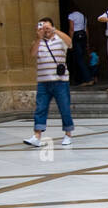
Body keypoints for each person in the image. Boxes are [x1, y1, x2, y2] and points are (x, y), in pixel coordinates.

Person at [24, 18, 74, 147]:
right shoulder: (38, 42)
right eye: (42, 27)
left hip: (60, 82)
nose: (45, 30)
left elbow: (69, 42)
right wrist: (38, 38)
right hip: (43, 81)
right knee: (40, 109)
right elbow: (32, 53)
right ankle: (37, 136)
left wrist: (55, 30)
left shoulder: (59, 39)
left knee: (64, 108)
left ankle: (68, 134)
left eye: (47, 27)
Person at [67, 5, 92, 86]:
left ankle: (87, 79)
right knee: (82, 58)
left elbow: (71, 28)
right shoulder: (83, 16)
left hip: (76, 37)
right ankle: (83, 78)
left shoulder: (71, 16)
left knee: (79, 59)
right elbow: (86, 29)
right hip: (83, 36)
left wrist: (70, 41)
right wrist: (87, 42)